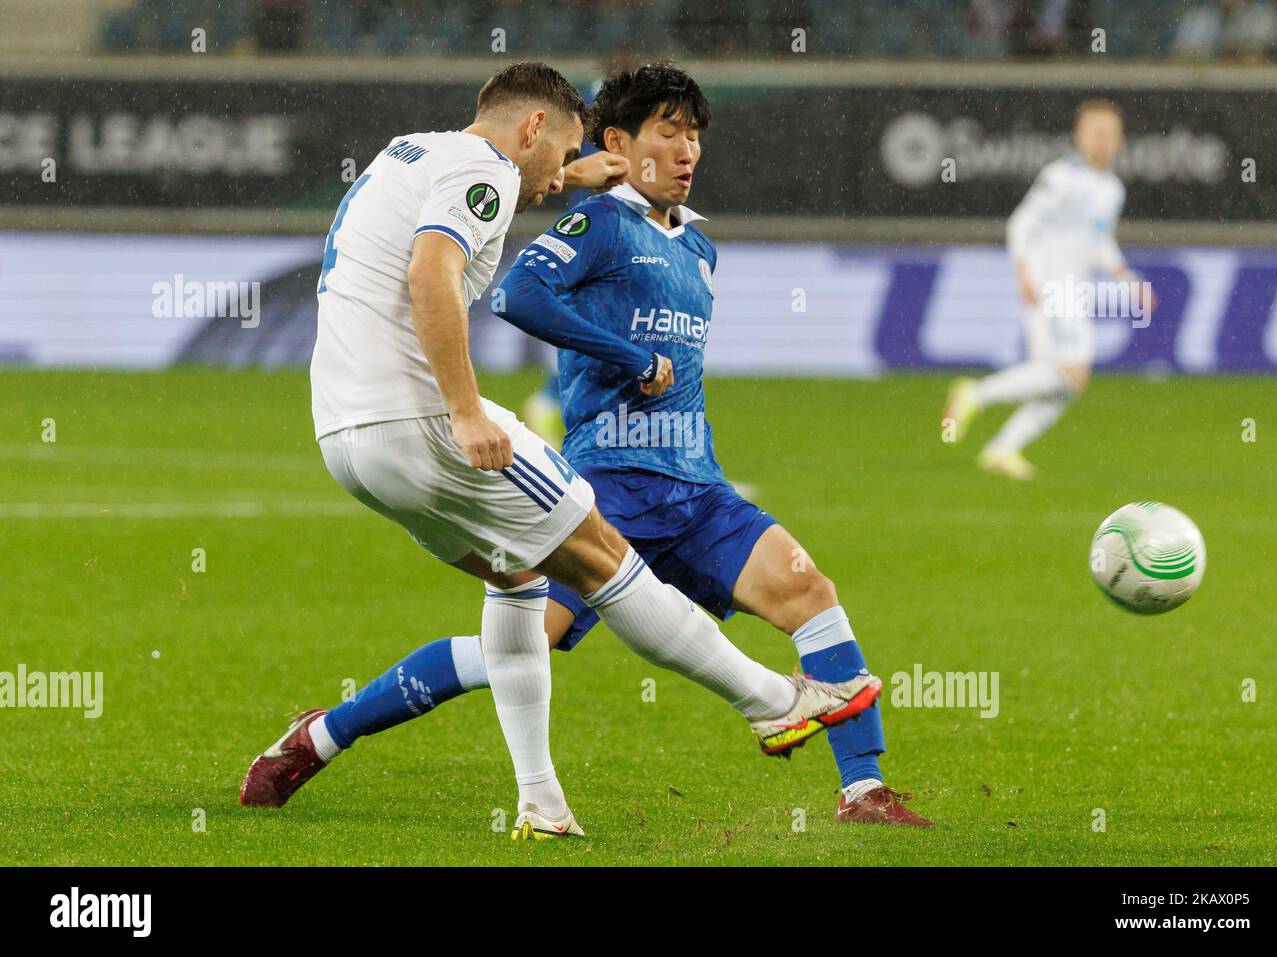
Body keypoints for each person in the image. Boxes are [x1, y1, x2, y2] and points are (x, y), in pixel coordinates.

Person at [244, 63, 929, 829]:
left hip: (693, 487)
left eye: (694, 135)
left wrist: (564, 171)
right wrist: (488, 403)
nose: (686, 150)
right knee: (512, 635)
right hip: (601, 478)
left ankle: (861, 791)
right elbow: (504, 284)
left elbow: (507, 184)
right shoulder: (591, 222)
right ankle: (331, 731)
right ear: (609, 141)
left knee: (809, 592)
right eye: (667, 133)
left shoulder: (694, 244)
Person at [943, 99, 1152, 480]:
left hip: (1075, 286)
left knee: (1062, 382)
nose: (1101, 141)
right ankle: (975, 395)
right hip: (1049, 284)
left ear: (1120, 140)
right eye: (1094, 133)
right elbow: (1021, 222)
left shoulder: (1111, 190)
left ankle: (1001, 448)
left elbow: (1098, 243)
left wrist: (1129, 280)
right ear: (1079, 136)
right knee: (1072, 372)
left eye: (1108, 134)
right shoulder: (1061, 177)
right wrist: (1023, 270)